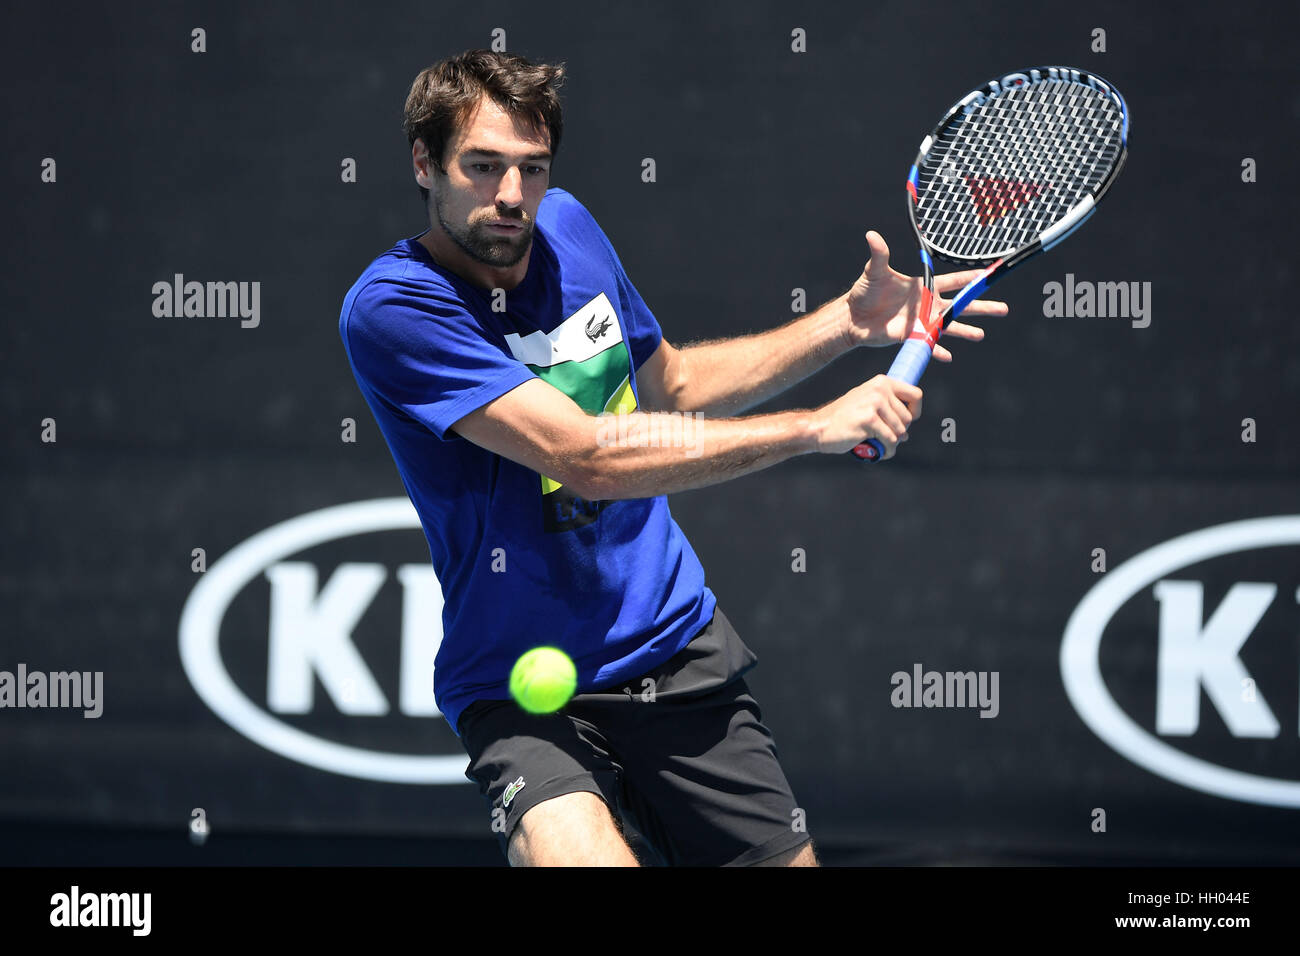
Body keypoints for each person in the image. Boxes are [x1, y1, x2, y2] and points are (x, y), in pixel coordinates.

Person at [338, 49, 1006, 867]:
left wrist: (846, 324)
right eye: (482, 167)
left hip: (674, 647)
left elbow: (678, 385)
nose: (512, 196)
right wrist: (813, 428)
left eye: (532, 168)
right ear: (424, 163)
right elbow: (585, 456)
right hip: (520, 686)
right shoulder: (394, 308)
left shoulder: (571, 229)